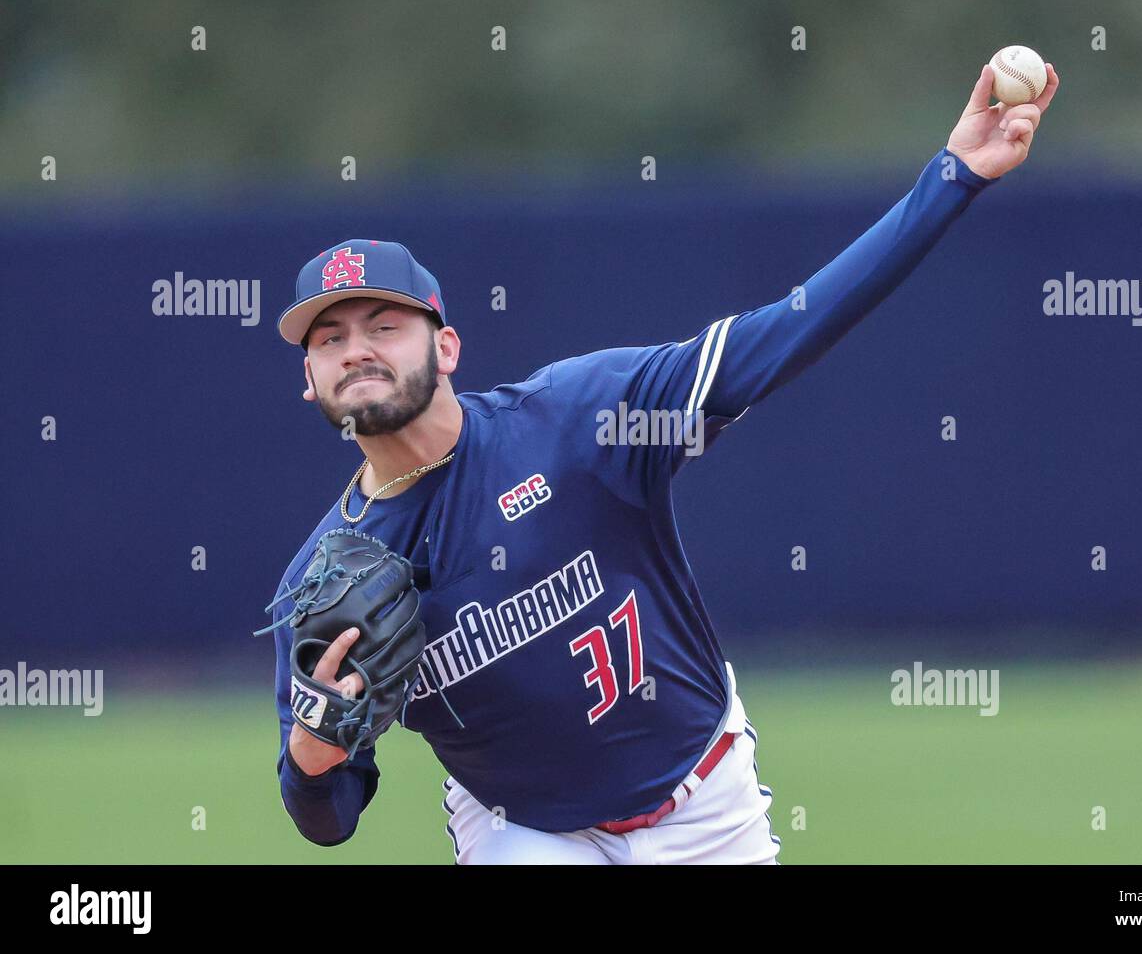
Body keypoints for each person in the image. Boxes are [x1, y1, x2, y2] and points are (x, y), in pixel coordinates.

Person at [263, 63, 1058, 864]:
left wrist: (952, 178)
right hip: (523, 829)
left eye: (381, 325)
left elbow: (783, 332)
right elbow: (325, 816)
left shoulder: (581, 419)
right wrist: (313, 752)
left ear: (446, 346)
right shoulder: (321, 586)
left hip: (703, 798)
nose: (356, 349)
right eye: (328, 340)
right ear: (309, 380)